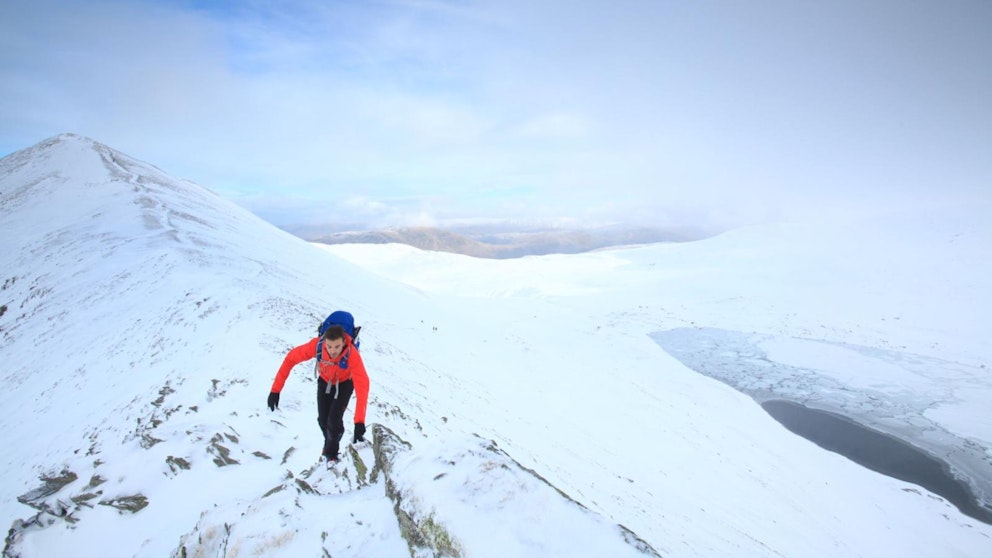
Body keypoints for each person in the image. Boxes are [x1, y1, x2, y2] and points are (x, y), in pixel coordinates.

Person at [267, 324, 369, 464]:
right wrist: (275, 390)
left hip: (345, 383)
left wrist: (359, 422)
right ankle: (332, 438)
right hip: (325, 380)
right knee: (322, 420)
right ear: (324, 342)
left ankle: (331, 455)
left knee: (333, 421)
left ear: (344, 343)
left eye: (337, 346)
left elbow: (363, 386)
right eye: (329, 346)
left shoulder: (352, 354)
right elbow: (291, 358)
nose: (333, 351)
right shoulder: (317, 346)